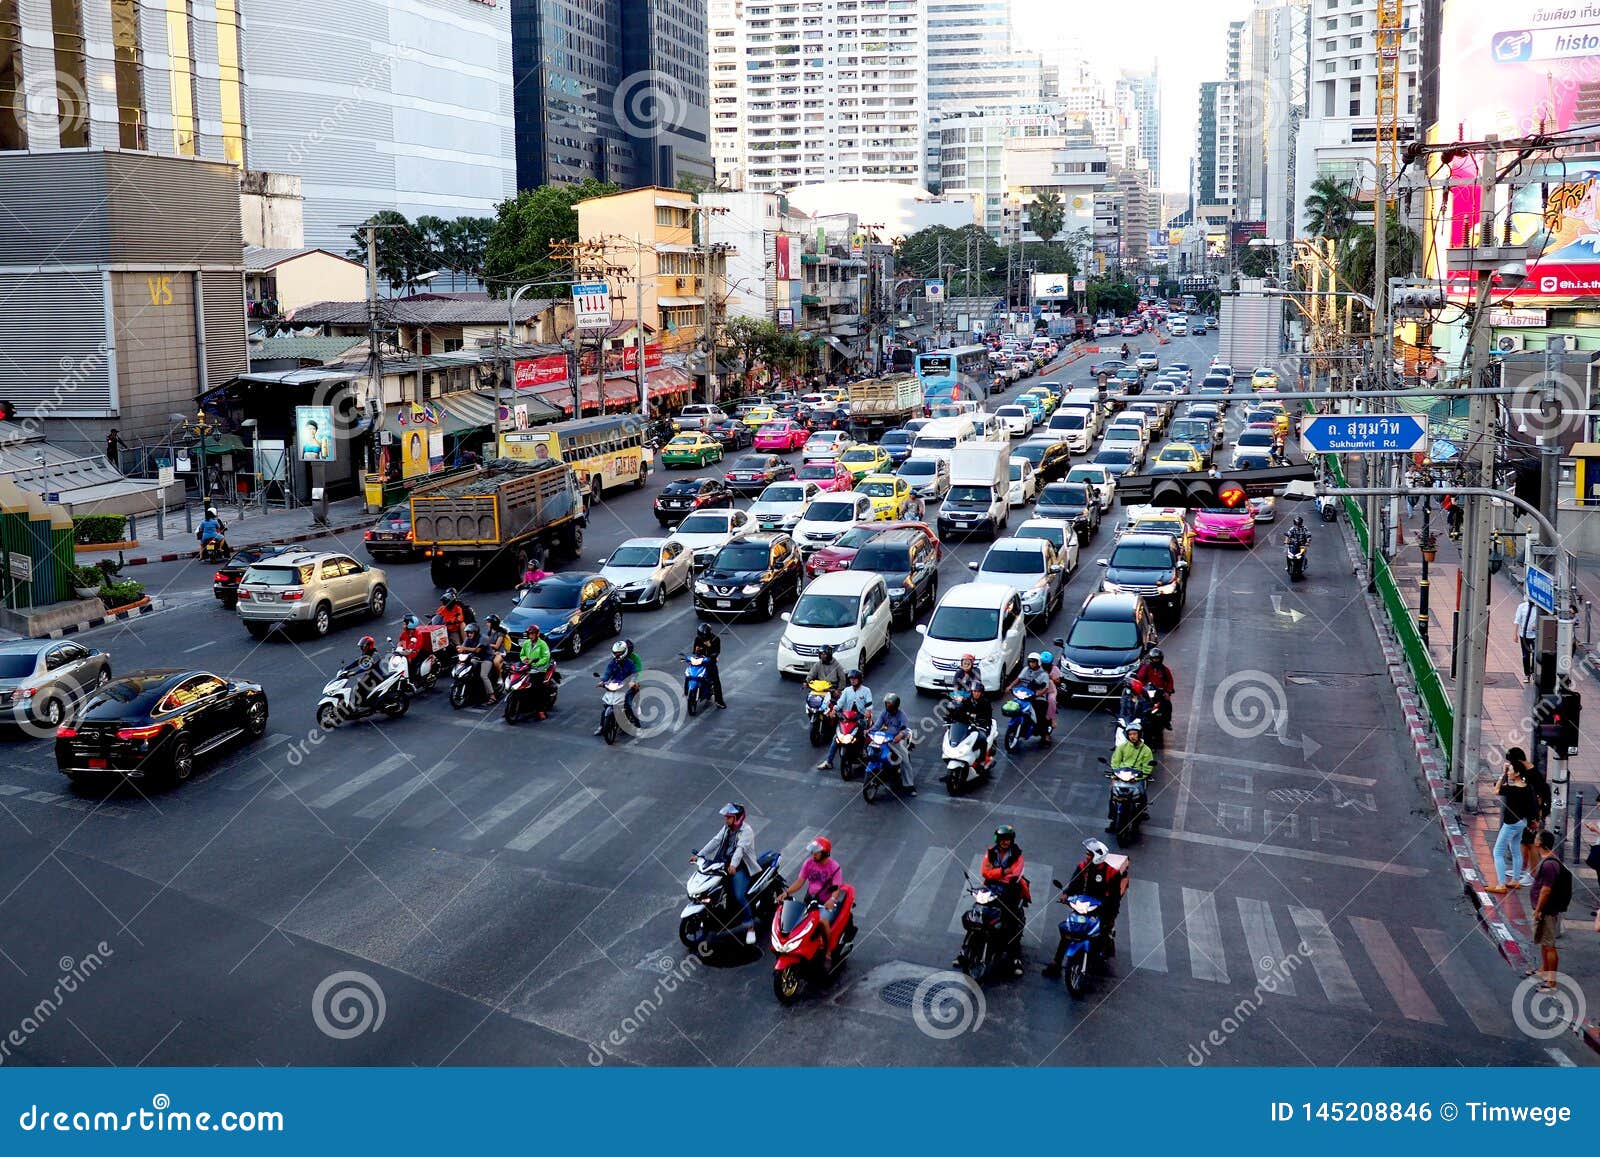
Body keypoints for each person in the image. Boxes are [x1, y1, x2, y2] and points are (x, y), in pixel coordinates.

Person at [1042, 839, 1126, 976]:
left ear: (1097, 857)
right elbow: (1074, 884)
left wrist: (1111, 915)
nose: (1086, 857)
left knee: (1102, 934)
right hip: (1083, 906)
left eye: (1089, 855)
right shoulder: (1082, 867)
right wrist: (1066, 895)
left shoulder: (1111, 874)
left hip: (1101, 910)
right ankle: (1056, 963)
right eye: (1087, 854)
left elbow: (1115, 898)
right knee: (1067, 931)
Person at [961, 825, 1028, 975]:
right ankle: (964, 950)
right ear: (998, 840)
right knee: (977, 912)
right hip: (991, 887)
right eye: (1003, 839)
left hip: (1010, 889)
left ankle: (1014, 958)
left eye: (1008, 840)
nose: (1005, 842)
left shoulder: (1017, 854)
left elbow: (1014, 874)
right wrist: (1003, 871)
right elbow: (985, 872)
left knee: (1010, 920)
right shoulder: (991, 852)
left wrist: (995, 873)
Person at [693, 803, 761, 946]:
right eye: (726, 817)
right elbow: (716, 841)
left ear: (737, 818)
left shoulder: (746, 831)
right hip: (724, 864)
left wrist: (733, 865)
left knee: (739, 895)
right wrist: (700, 855)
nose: (726, 820)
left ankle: (750, 927)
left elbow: (740, 850)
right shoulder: (727, 828)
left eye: (729, 818)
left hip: (741, 867)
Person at [775, 837, 847, 965]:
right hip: (810, 900)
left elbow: (836, 889)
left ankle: (828, 950)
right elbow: (799, 882)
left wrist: (832, 899)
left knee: (823, 922)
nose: (813, 854)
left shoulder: (834, 867)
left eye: (816, 852)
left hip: (825, 903)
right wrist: (786, 893)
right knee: (798, 921)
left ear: (824, 853)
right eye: (813, 852)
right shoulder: (809, 863)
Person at [1529, 829, 1571, 992]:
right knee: (1544, 942)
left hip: (1547, 910)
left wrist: (1538, 909)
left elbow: (1546, 889)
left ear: (1540, 843)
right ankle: (1543, 970)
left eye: (1536, 838)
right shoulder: (1547, 859)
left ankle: (1551, 981)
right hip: (1546, 909)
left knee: (1549, 945)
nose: (1534, 839)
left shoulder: (1549, 865)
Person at [1487, 758, 1537, 893]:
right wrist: (1533, 820)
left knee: (1497, 852)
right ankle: (1515, 880)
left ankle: (1501, 884)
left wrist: (1502, 773)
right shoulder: (1528, 787)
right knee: (1515, 848)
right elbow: (1533, 807)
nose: (1509, 773)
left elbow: (1496, 790)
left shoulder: (1512, 790)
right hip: (1522, 822)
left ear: (1517, 773)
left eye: (1511, 771)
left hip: (1510, 824)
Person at [1507, 747, 1551, 886]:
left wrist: (1536, 817)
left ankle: (1532, 875)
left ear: (1519, 761)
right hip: (1527, 813)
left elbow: (1537, 798)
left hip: (1533, 814)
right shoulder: (1527, 771)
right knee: (1523, 842)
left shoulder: (1532, 775)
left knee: (1531, 843)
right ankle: (1520, 869)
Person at [817, 668, 873, 770]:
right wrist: (833, 711)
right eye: (851, 679)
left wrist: (868, 712)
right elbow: (840, 703)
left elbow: (869, 706)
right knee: (836, 738)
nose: (852, 681)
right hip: (847, 719)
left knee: (864, 734)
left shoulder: (866, 691)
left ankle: (864, 751)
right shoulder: (847, 691)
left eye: (855, 679)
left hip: (860, 719)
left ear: (859, 679)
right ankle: (829, 761)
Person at [1008, 652, 1052, 742]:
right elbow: (1018, 679)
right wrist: (1010, 687)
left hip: (1037, 698)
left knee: (1040, 714)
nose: (1032, 663)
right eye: (1030, 661)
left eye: (1034, 662)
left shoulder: (1044, 674)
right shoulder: (1026, 669)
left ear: (1038, 662)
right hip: (1024, 694)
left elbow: (1046, 688)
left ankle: (1045, 734)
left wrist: (1037, 694)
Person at [597, 641, 639, 734]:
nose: (617, 654)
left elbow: (634, 674)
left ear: (624, 652)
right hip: (615, 685)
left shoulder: (630, 663)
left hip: (627, 687)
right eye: (616, 653)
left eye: (619, 653)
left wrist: (632, 681)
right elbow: (607, 673)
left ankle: (636, 724)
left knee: (628, 704)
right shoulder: (612, 663)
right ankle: (601, 726)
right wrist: (603, 681)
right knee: (606, 706)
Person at [877, 692, 915, 795]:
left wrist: (900, 735)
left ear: (895, 705)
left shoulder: (901, 715)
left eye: (889, 704)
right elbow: (877, 725)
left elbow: (906, 729)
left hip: (897, 740)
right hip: (886, 739)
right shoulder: (883, 713)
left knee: (905, 760)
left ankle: (909, 785)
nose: (887, 706)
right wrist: (869, 731)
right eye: (886, 703)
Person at [461, 623, 497, 706]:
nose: (469, 634)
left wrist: (464, 648)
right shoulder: (468, 638)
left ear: (475, 633)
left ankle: (492, 695)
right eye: (468, 633)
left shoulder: (483, 638)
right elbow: (463, 649)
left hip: (486, 658)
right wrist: (460, 650)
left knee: (483, 675)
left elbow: (477, 650)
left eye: (471, 633)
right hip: (475, 658)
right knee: (468, 670)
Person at [694, 622, 727, 708]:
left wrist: (709, 646)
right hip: (700, 660)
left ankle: (719, 701)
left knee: (716, 680)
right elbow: (695, 651)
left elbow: (716, 652)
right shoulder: (698, 639)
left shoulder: (716, 639)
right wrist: (697, 651)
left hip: (710, 661)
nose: (701, 638)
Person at [1513, 595, 1540, 683]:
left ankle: (1533, 671)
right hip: (1523, 635)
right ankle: (1527, 674)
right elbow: (1517, 620)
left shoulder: (1538, 608)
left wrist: (1536, 624)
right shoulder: (1522, 607)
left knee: (1535, 655)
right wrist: (1515, 634)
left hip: (1535, 635)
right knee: (1525, 655)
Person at [396, 615, 433, 680]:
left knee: (411, 665)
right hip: (407, 653)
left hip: (417, 654)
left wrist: (410, 656)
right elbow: (402, 644)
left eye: (404, 624)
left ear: (410, 625)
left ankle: (413, 679)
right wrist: (399, 650)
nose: (403, 626)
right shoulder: (404, 634)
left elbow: (417, 647)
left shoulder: (418, 634)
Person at [1041, 649, 1062, 734]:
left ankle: (1052, 719)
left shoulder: (1055, 669)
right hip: (1039, 688)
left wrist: (1051, 678)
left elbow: (1058, 681)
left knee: (1052, 700)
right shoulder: (1037, 668)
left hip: (1050, 689)